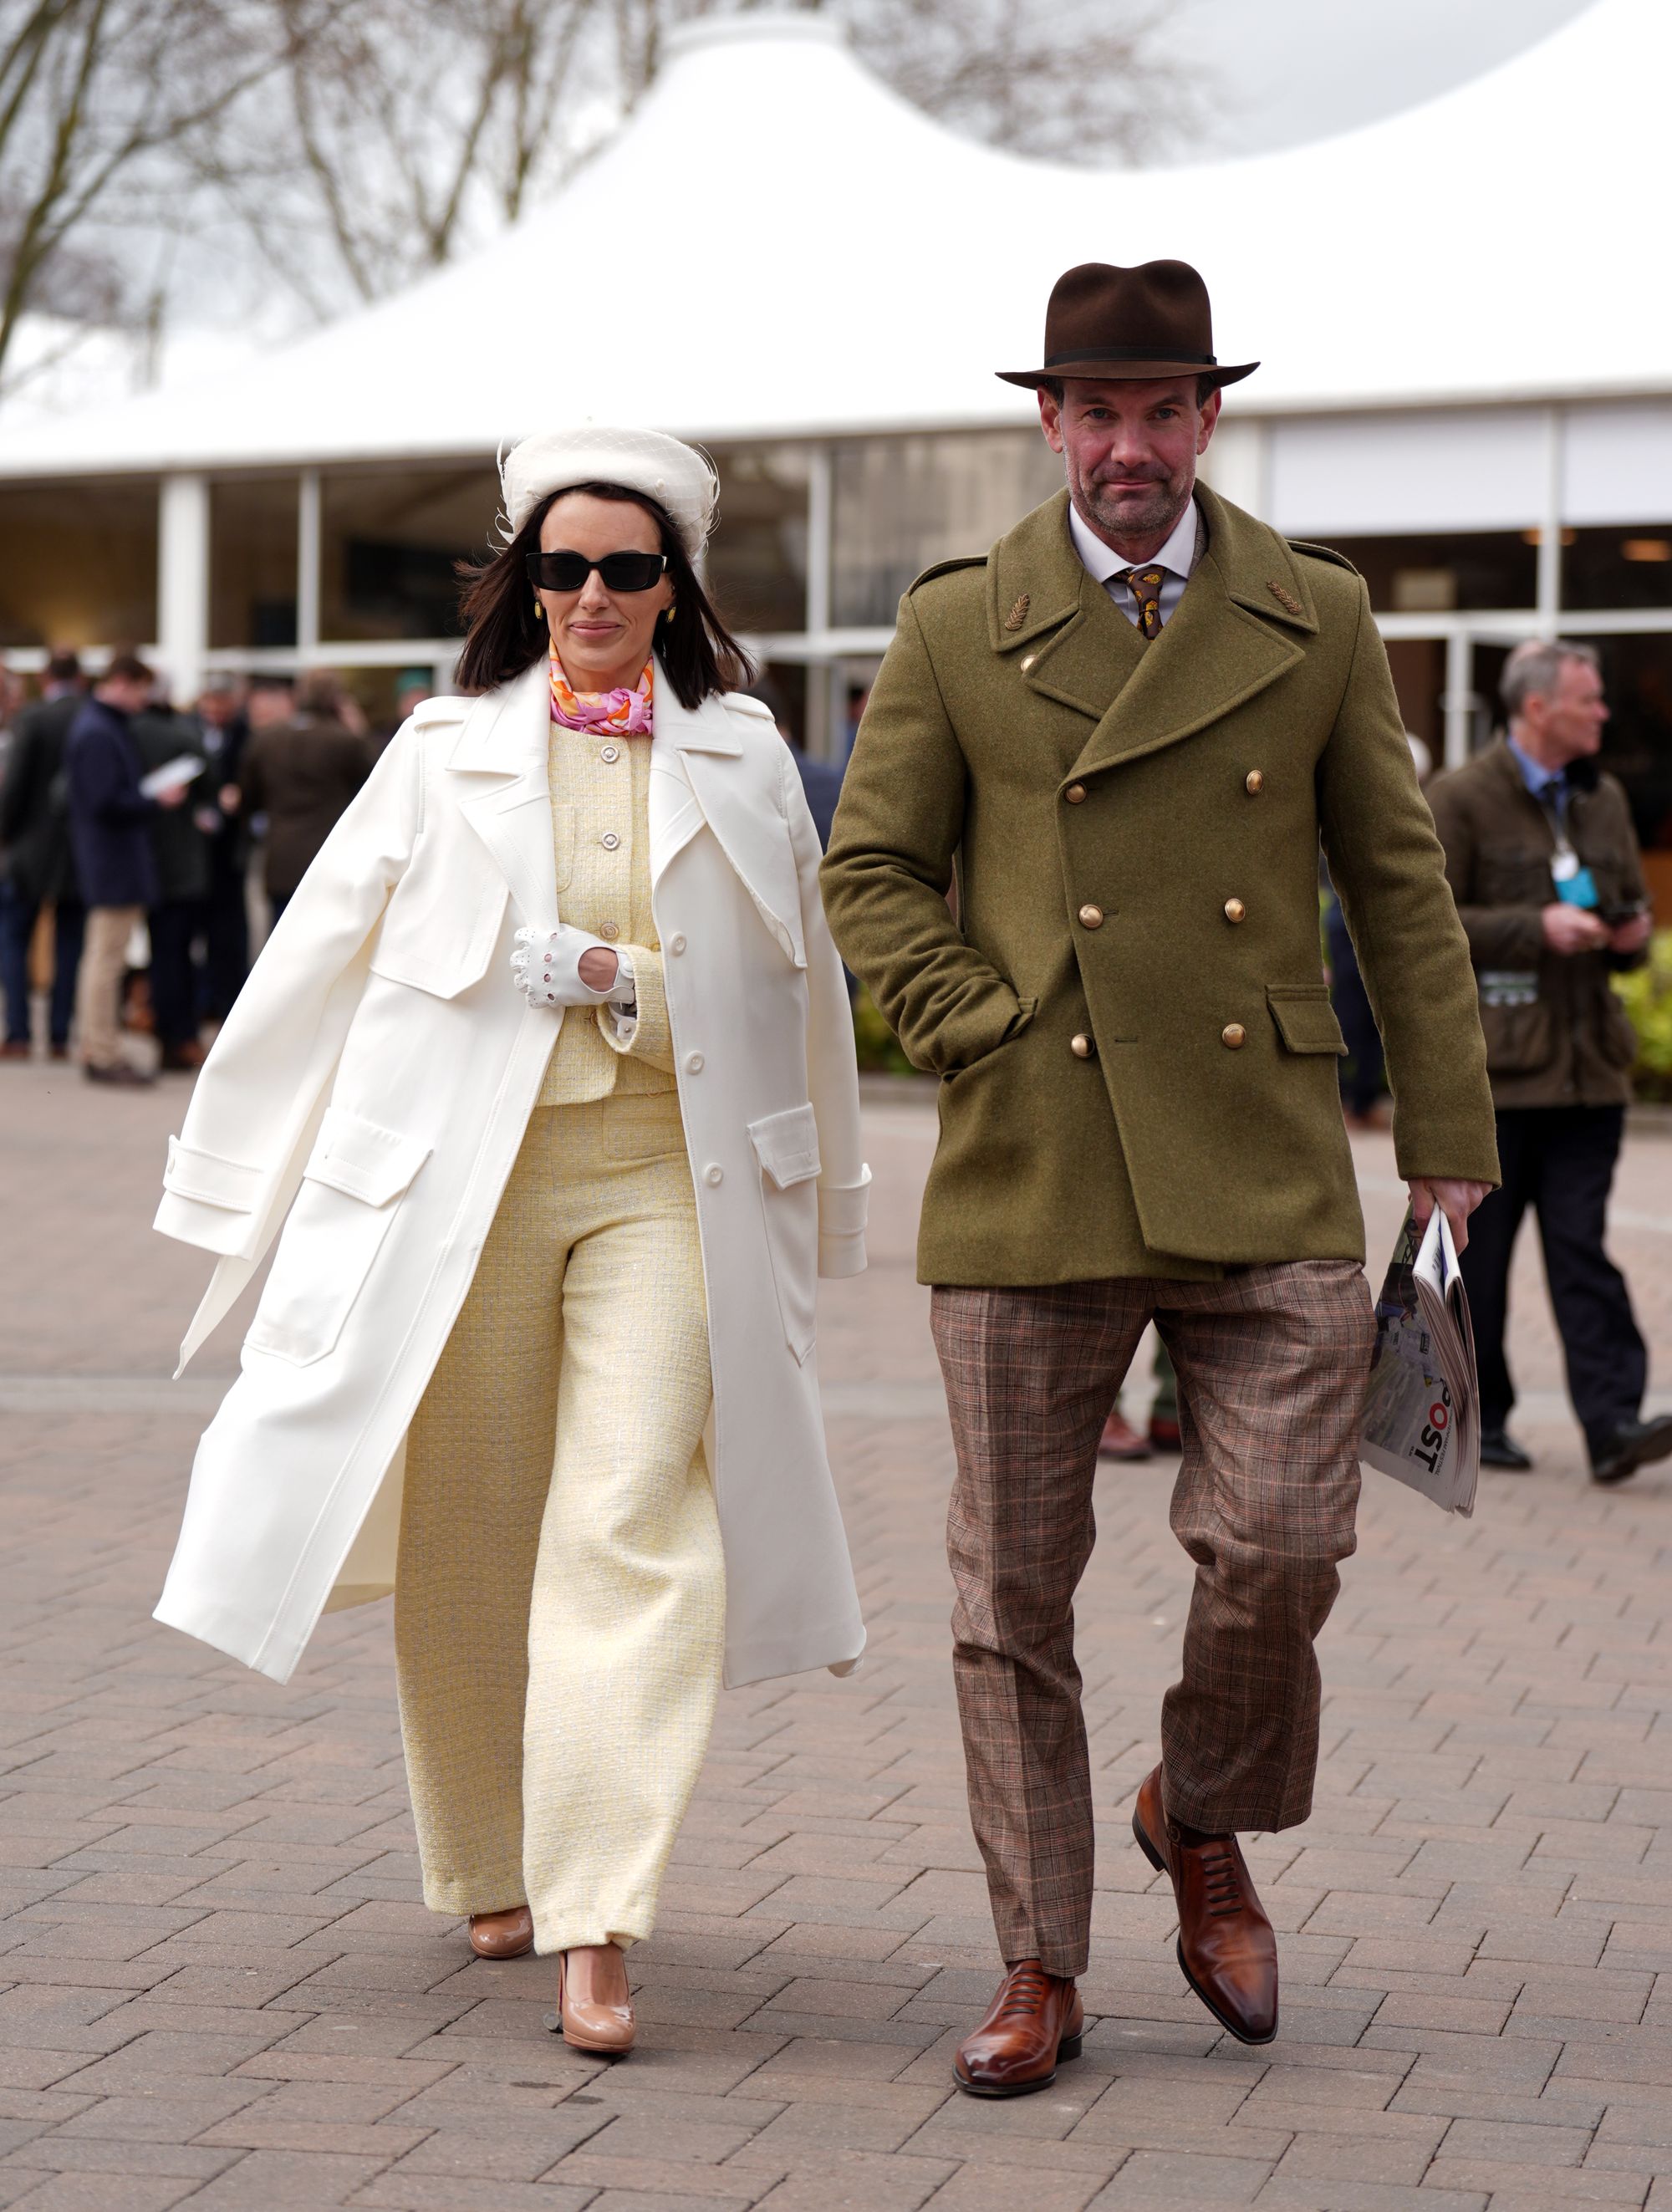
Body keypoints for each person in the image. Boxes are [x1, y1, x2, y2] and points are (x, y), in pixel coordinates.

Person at [822, 259, 1498, 2087]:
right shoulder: (961, 621)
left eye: (1162, 409)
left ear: (1209, 419)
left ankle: (1195, 1807)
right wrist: (975, 1019)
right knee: (1005, 1598)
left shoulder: (1315, 611)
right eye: (1096, 411)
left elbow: (1401, 889)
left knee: (1284, 1546)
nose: (1130, 445)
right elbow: (870, 869)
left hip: (1258, 1158)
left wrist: (1446, 1144)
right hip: (1032, 1161)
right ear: (1049, 422)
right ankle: (1040, 1958)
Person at [150, 426, 869, 2058]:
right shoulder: (438, 750)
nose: (595, 594)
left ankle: (594, 1911)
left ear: (672, 585)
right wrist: (221, 1182)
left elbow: (801, 993)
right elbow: (317, 961)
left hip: (665, 1188)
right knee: (473, 1533)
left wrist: (659, 1013)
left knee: (629, 1519)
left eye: (627, 568)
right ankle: (485, 1857)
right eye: (565, 568)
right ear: (523, 584)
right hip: (458, 1194)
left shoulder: (748, 759)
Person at [1427, 640, 1669, 1486]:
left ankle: (1611, 1425)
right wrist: (1535, 925)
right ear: (1536, 708)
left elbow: (1621, 922)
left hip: (1587, 1075)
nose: (1604, 712)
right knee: (1481, 1258)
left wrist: (1626, 939)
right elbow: (1426, 924)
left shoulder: (1601, 803)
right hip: (1499, 1076)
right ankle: (1480, 1419)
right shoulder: (1457, 798)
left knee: (1581, 1248)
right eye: (1588, 700)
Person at [65, 655, 189, 1088]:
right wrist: (155, 799)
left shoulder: (99, 726)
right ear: (121, 682)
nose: (143, 700)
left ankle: (99, 1047)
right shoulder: (98, 731)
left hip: (110, 860)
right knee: (106, 961)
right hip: (111, 862)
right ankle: (101, 1051)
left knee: (104, 958)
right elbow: (104, 802)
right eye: (139, 689)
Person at [234, 672, 379, 923]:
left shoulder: (267, 739)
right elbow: (378, 781)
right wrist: (359, 730)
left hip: (280, 857)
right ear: (337, 699)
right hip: (328, 857)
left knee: (279, 937)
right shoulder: (344, 741)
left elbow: (247, 797)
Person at [0, 648, 88, 1060]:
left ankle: (17, 1033)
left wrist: (6, 834)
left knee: (14, 939)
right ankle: (58, 1036)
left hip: (29, 849)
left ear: (45, 676)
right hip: (78, 851)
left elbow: (14, 787)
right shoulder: (90, 716)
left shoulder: (32, 718)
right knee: (70, 945)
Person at [133, 693, 215, 1070]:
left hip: (143, 860)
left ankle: (167, 1033)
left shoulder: (126, 733)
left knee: (160, 954)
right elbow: (212, 786)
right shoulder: (185, 735)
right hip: (182, 864)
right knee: (178, 954)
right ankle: (180, 1038)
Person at [192, 680, 250, 1022]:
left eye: (222, 705)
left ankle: (229, 1001)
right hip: (197, 850)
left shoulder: (244, 734)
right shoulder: (190, 731)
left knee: (229, 933)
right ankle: (204, 999)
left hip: (229, 852)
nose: (215, 712)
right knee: (198, 931)